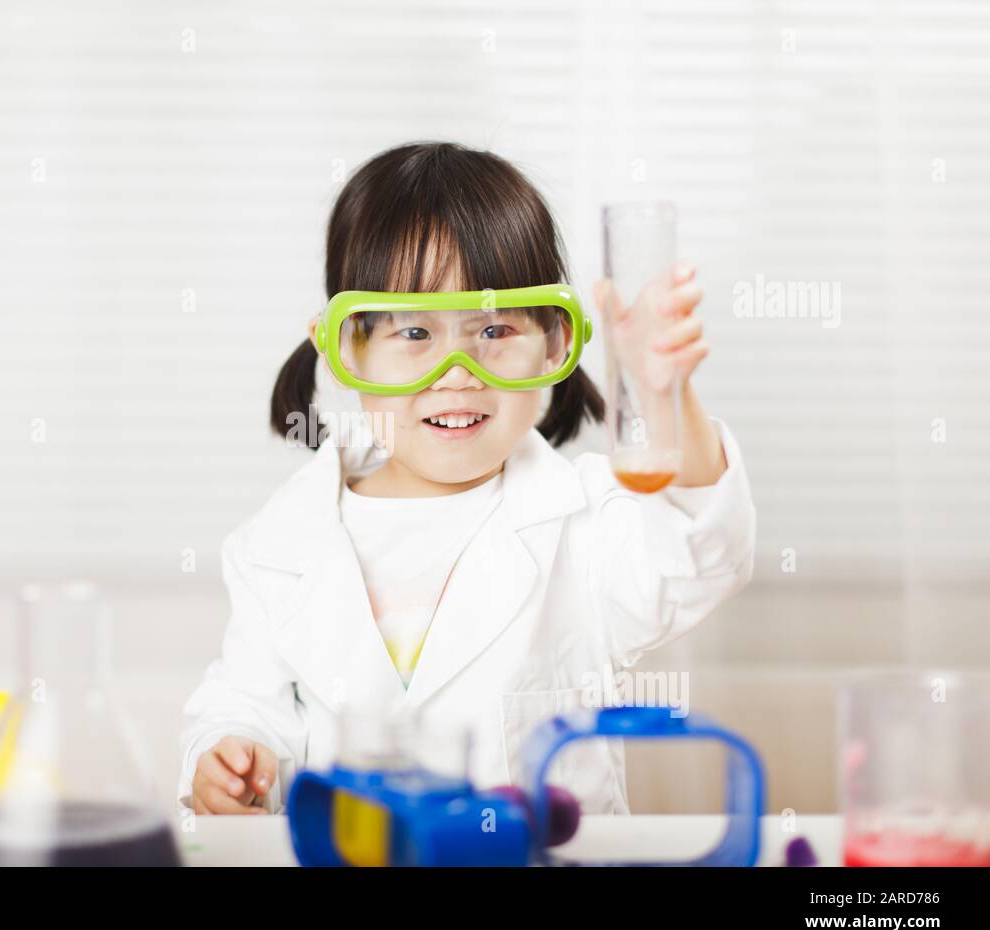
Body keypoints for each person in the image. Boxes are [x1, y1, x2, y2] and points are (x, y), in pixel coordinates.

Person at [178, 142, 756, 815]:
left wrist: (662, 398)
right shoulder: (275, 547)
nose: (457, 372)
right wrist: (230, 752)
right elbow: (249, 702)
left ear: (554, 343)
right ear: (344, 349)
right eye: (414, 333)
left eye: (493, 327)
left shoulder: (585, 524)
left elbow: (700, 552)